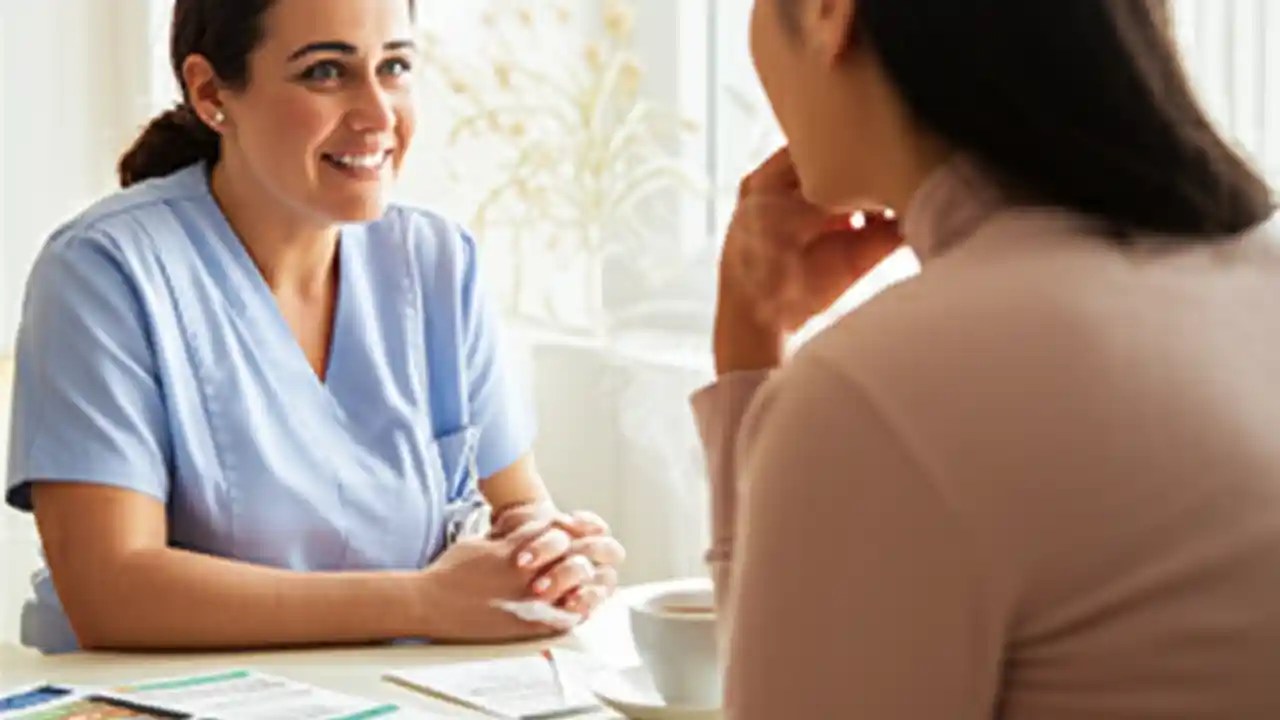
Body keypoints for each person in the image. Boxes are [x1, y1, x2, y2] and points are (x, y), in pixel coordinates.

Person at [698, 0, 1280, 717]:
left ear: (828, 14)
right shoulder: (1254, 278)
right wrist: (751, 344)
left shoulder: (879, 394)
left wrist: (752, 366)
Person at [4, 0, 623, 654]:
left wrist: (551, 558)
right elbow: (112, 592)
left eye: (395, 67)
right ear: (211, 92)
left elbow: (520, 505)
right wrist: (424, 601)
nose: (378, 114)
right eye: (326, 72)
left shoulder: (437, 263)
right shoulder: (105, 270)